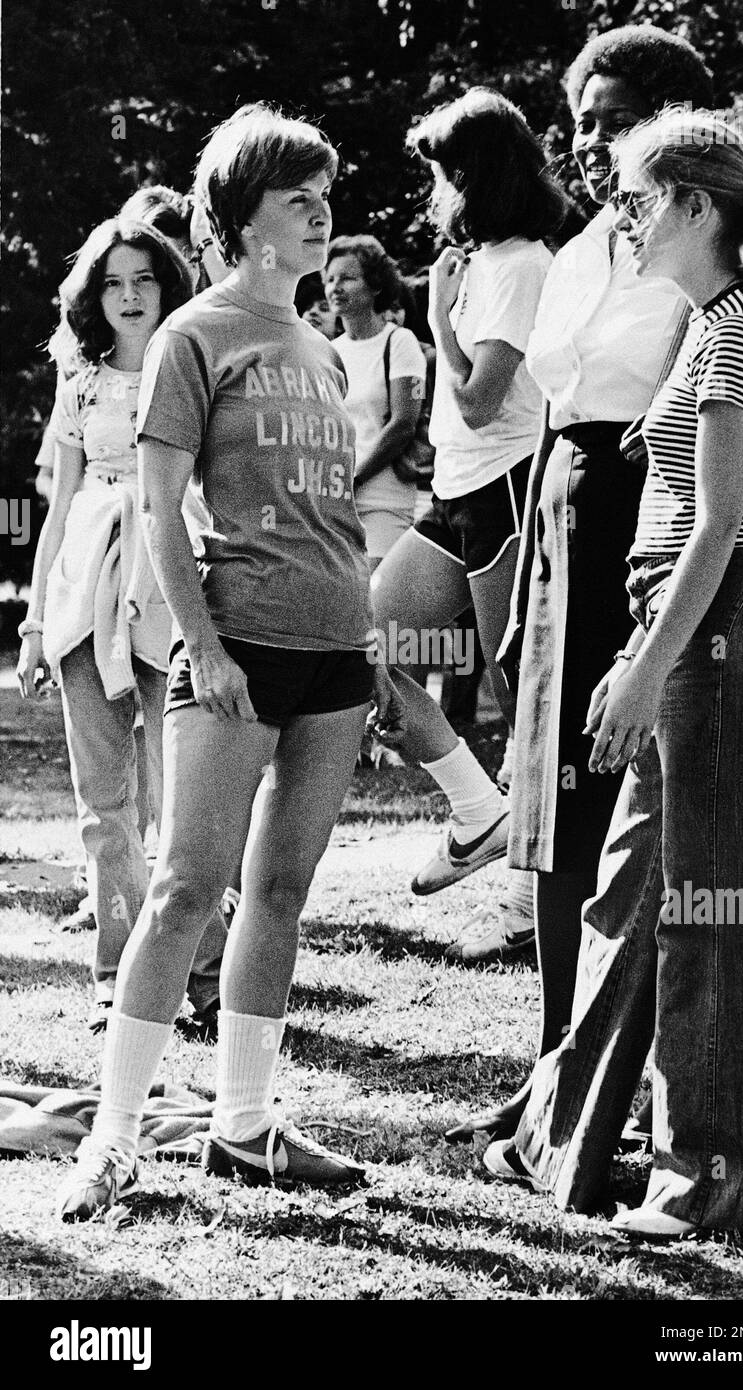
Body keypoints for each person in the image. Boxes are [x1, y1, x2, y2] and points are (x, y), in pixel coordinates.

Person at [56, 102, 403, 1221]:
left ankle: (244, 1128)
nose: (320, 215)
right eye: (295, 199)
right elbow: (158, 507)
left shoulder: (320, 346)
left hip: (334, 653)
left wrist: (370, 638)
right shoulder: (192, 334)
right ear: (240, 217)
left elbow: (336, 513)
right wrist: (201, 648)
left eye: (324, 195)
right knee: (184, 887)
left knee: (282, 893)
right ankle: (110, 1143)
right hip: (235, 648)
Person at [485, 108, 743, 1237]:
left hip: (717, 622)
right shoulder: (716, 321)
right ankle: (563, 1144)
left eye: (636, 201)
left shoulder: (733, 335)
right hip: (691, 623)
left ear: (691, 205)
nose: (621, 221)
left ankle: (726, 1178)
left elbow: (723, 523)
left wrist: (641, 666)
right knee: (630, 896)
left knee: (712, 910)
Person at [447, 25, 714, 1142]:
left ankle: (621, 1081)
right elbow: (551, 399)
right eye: (583, 120)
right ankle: (551, 1061)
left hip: (649, 503)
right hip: (559, 501)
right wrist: (526, 568)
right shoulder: (583, 245)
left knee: (626, 803)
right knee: (553, 809)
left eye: (612, 119)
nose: (589, 141)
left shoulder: (711, 243)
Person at [370, 87, 566, 964]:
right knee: (366, 646)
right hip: (453, 493)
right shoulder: (480, 261)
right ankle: (477, 807)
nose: (437, 193)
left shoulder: (523, 262)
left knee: (523, 690)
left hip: (508, 486)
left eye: (447, 174)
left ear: (478, 175)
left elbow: (482, 402)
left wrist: (438, 328)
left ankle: (527, 905)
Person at [17, 217, 226, 1032]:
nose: (129, 295)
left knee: (181, 796)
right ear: (92, 296)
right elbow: (59, 506)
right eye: (112, 282)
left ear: (167, 284)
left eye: (143, 278)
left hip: (170, 581)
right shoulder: (80, 383)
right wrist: (37, 620)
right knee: (104, 802)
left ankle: (201, 973)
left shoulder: (193, 365)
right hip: (85, 588)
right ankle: (118, 974)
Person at [326, 235, 427, 568]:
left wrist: (353, 479)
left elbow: (403, 423)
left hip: (384, 498)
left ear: (376, 286)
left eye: (347, 278)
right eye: (330, 279)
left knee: (378, 606)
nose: (335, 287)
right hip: (334, 501)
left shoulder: (400, 342)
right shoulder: (330, 351)